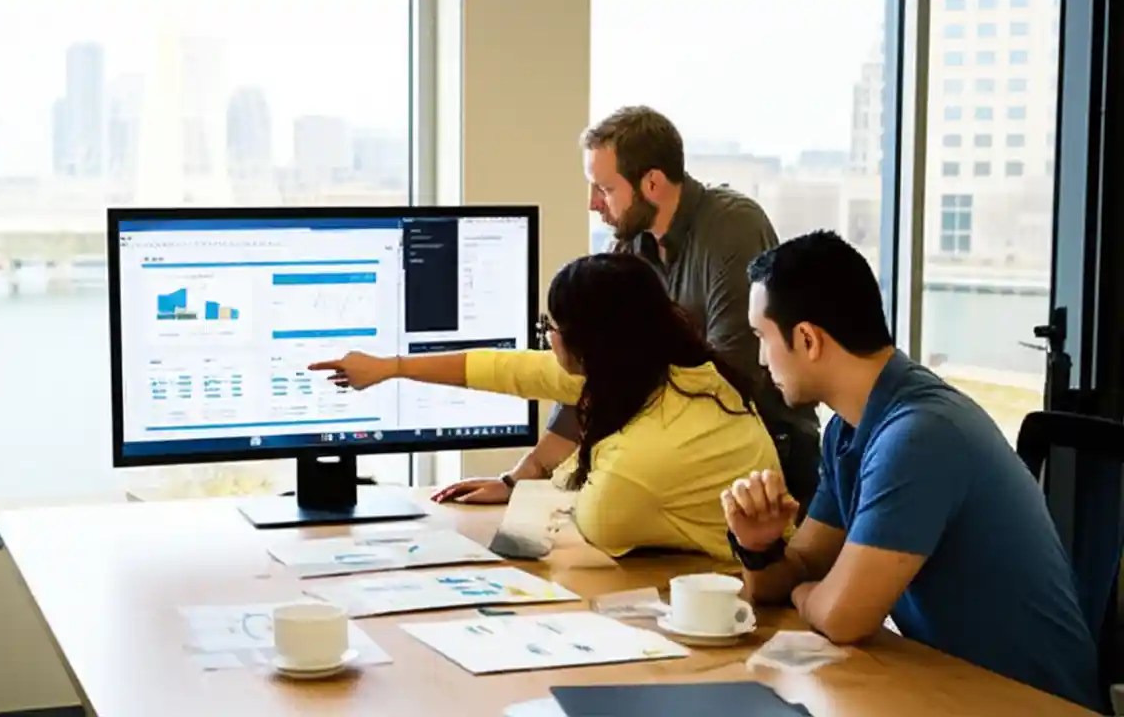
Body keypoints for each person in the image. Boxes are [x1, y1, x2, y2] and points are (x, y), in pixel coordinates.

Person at [724, 229, 1099, 710]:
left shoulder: (918, 434)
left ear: (807, 338)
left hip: (1029, 703)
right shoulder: (850, 429)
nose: (759, 358)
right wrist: (760, 549)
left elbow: (842, 617)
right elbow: (802, 570)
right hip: (951, 688)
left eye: (762, 336)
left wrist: (805, 591)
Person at [433, 105, 821, 513]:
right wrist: (520, 478)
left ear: (651, 182)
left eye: (604, 189)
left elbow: (730, 377)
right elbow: (594, 368)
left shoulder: (732, 227)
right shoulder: (631, 243)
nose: (592, 204)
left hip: (764, 463)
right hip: (684, 454)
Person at [310, 252, 780, 560]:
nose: (547, 338)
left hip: (724, 605)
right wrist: (389, 367)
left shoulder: (638, 460)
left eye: (550, 328)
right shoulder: (670, 369)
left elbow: (598, 522)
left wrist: (526, 484)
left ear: (586, 344)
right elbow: (505, 368)